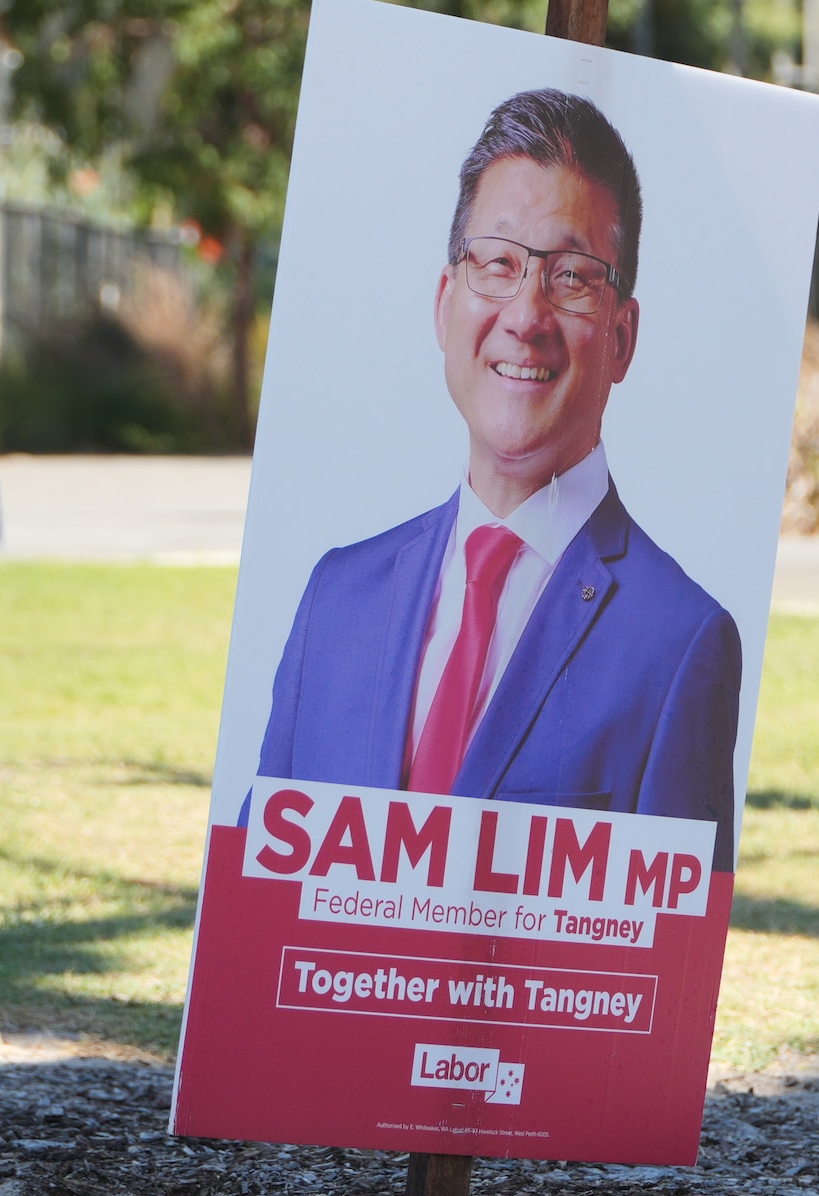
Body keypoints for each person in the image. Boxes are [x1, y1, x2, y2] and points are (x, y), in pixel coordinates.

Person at [254, 89, 741, 870]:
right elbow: (258, 908)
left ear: (621, 337)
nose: (525, 315)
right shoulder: (334, 603)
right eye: (498, 264)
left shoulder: (679, 644)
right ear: (445, 305)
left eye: (572, 276)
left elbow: (666, 948)